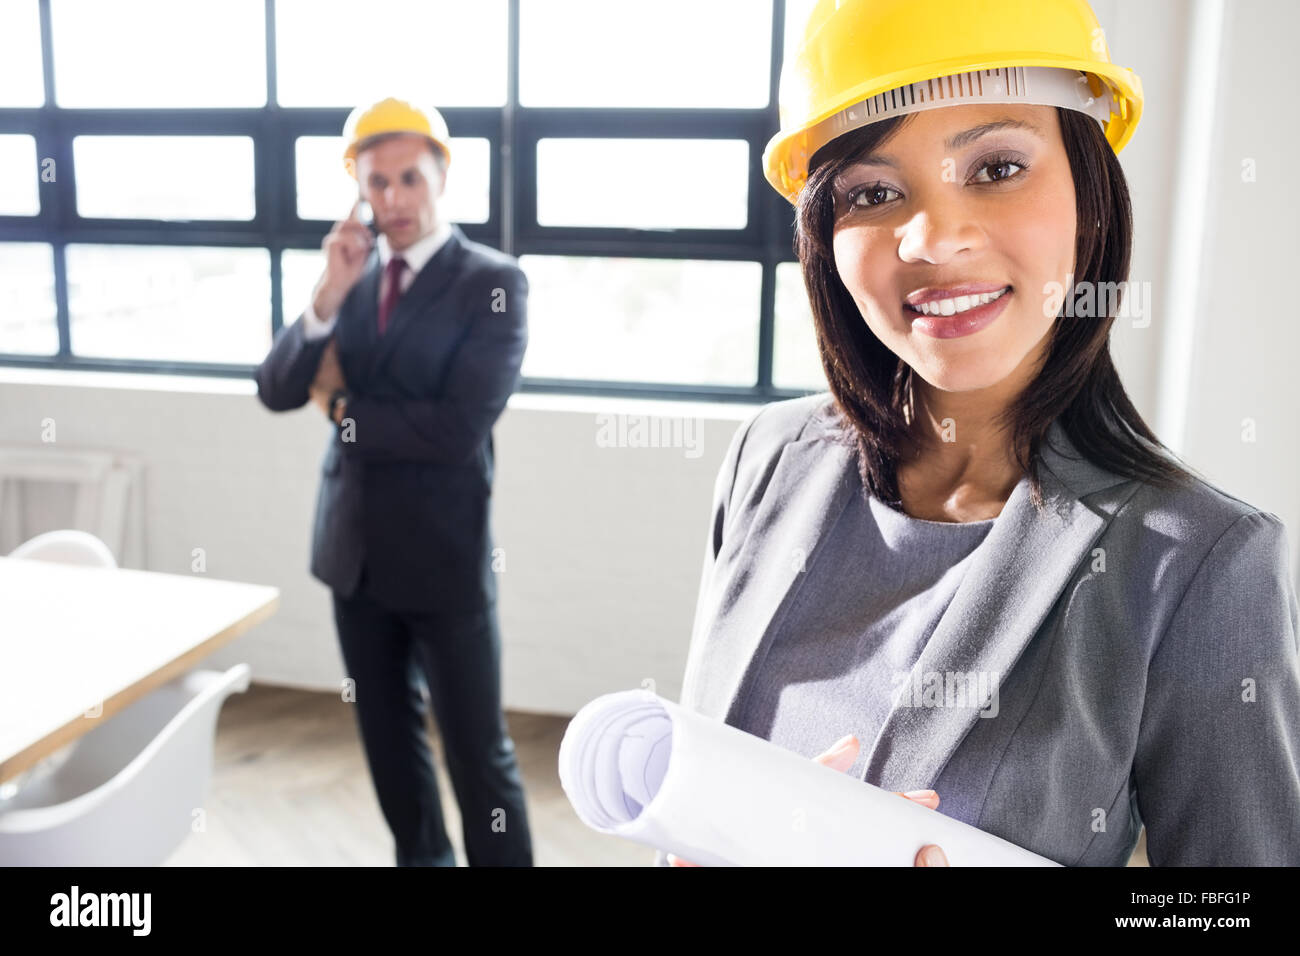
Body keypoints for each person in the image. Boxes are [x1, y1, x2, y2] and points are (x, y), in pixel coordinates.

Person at [660, 0, 1300, 867]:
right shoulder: (768, 460)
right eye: (873, 193)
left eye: (996, 167)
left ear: (1091, 197)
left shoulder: (1198, 560)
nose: (932, 240)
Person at [254, 97, 533, 867]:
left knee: (480, 757)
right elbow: (277, 389)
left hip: (444, 561)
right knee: (389, 748)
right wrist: (325, 294)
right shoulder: (351, 278)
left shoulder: (493, 283)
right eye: (378, 182)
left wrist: (342, 405)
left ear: (442, 177)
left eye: (410, 178)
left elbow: (455, 431)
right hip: (355, 559)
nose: (395, 198)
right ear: (360, 191)